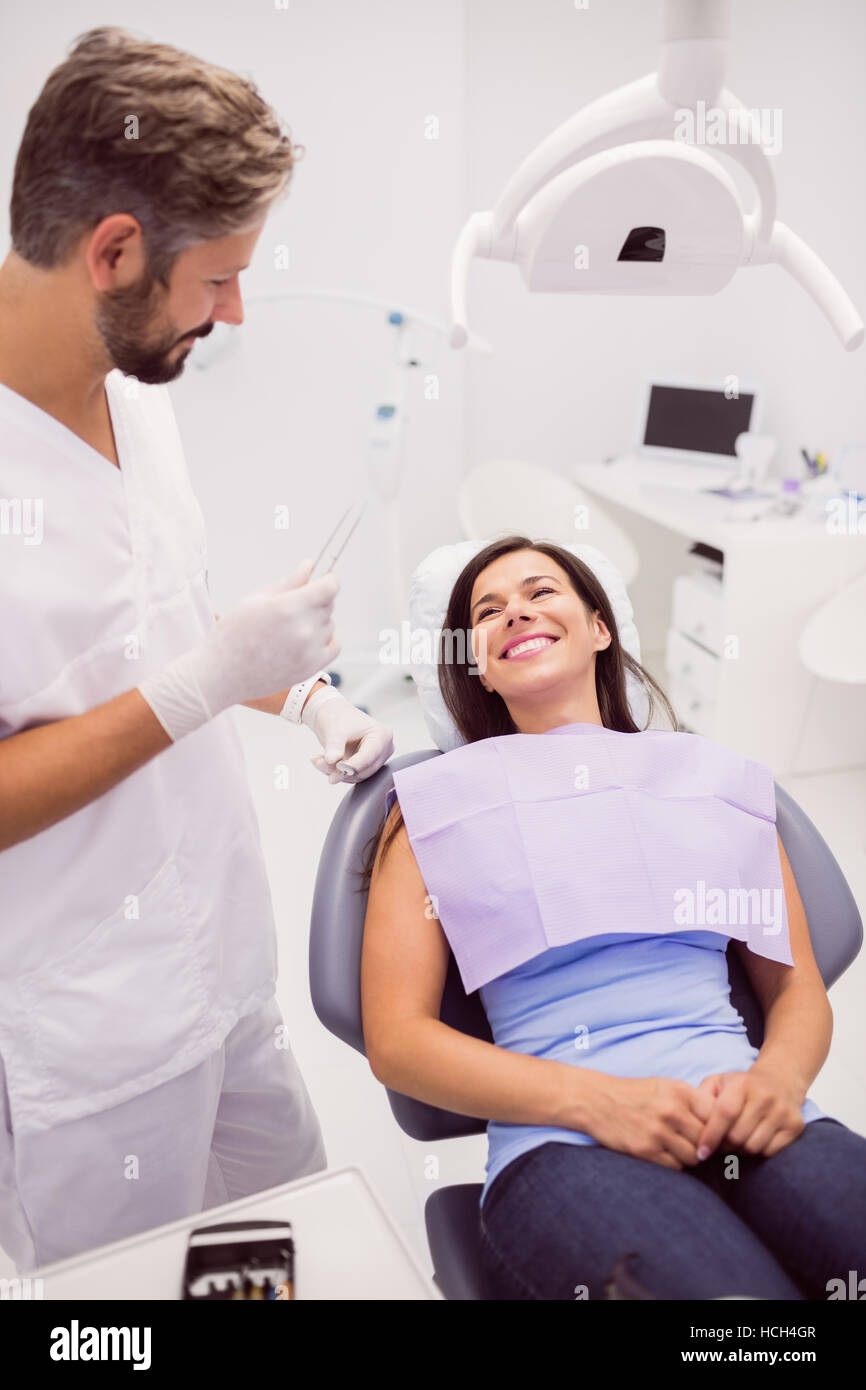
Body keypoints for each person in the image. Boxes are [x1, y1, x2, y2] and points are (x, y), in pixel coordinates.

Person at [0, 26, 393, 1272]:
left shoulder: (135, 385)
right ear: (112, 251)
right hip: (89, 1036)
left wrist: (305, 693)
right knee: (117, 1321)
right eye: (217, 278)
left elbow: (170, 623)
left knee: (283, 1256)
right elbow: (179, 677)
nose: (235, 311)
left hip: (225, 972)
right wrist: (207, 679)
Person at [359, 534, 866, 1300]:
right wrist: (595, 1101)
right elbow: (397, 1041)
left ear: (599, 627)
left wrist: (780, 1079)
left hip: (744, 1110)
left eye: (541, 591)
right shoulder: (435, 807)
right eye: (488, 611)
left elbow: (794, 988)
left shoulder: (712, 777)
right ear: (478, 667)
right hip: (565, 1145)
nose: (516, 612)